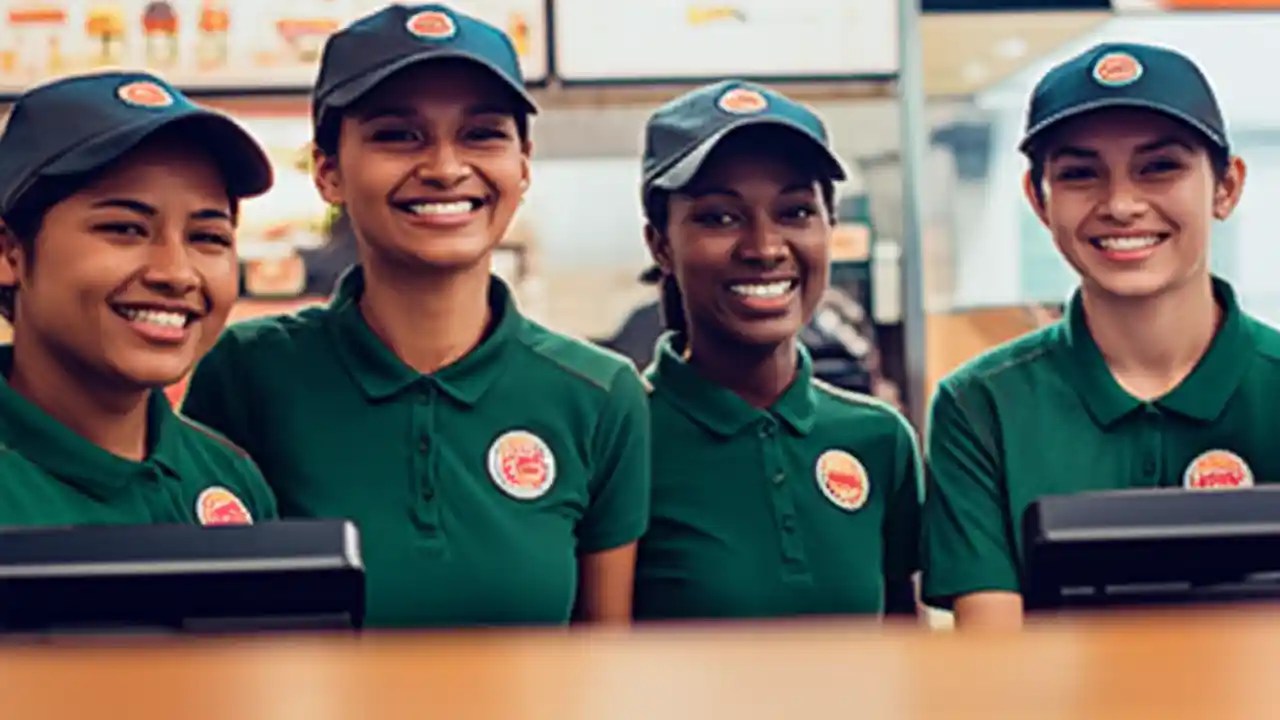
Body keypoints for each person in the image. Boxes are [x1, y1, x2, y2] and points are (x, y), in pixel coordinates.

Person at [182, 4, 650, 628]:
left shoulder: (599, 395)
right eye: (398, 135)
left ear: (524, 164)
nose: (445, 168)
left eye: (482, 133)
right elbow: (220, 635)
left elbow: (605, 662)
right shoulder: (247, 373)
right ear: (328, 171)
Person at [922, 42, 1276, 629]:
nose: (1121, 204)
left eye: (1159, 167)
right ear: (1039, 199)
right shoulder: (981, 408)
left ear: (1226, 187)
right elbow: (992, 666)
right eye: (1080, 174)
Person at [632, 80, 923, 621]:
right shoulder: (620, 438)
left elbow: (905, 647)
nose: (765, 248)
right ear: (661, 244)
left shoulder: (880, 440)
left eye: (794, 212)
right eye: (720, 217)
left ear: (829, 227)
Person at [0, 70, 278, 526]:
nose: (175, 273)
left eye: (207, 236)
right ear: (9, 252)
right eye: (125, 229)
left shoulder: (228, 478)